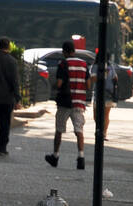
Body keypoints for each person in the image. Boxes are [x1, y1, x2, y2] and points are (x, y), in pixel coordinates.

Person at [45, 40, 91, 171]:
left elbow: (59, 83)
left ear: (64, 51)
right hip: (79, 102)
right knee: (79, 130)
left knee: (59, 129)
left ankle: (55, 156)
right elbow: (88, 85)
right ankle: (81, 158)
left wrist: (54, 87)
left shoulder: (64, 64)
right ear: (74, 50)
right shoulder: (83, 64)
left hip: (65, 102)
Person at [92, 50, 119, 137]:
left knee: (102, 114)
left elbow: (93, 79)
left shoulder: (106, 66)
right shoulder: (106, 66)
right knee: (101, 115)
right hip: (104, 92)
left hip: (104, 92)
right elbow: (115, 78)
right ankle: (101, 131)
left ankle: (102, 132)